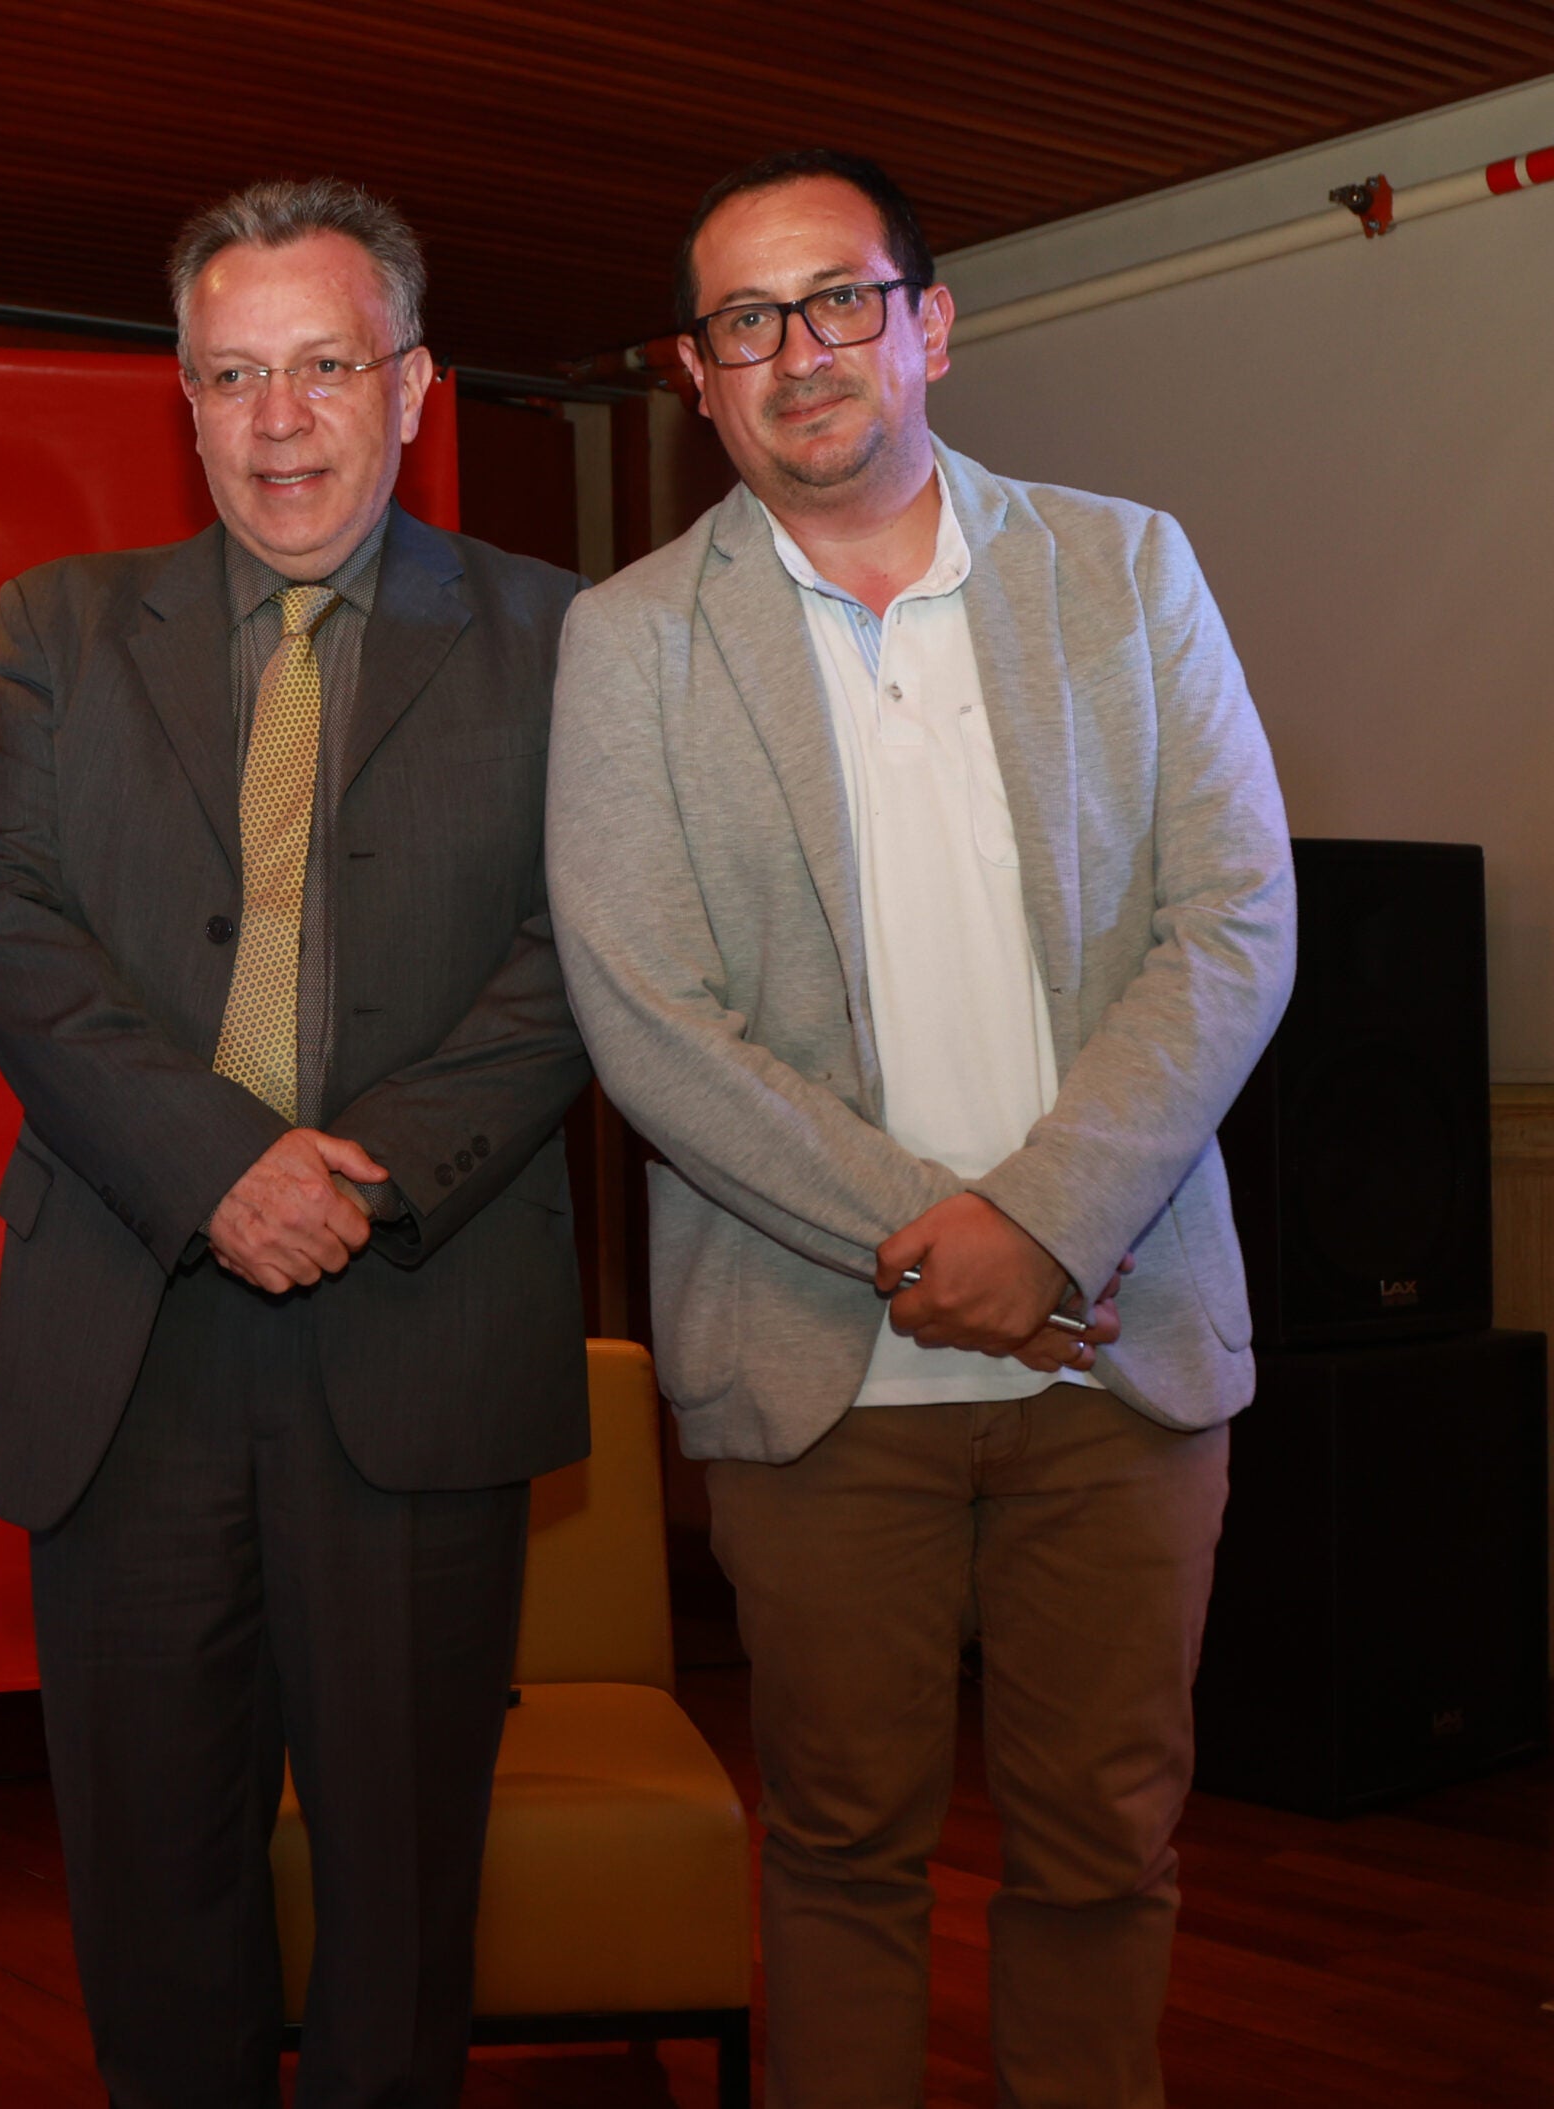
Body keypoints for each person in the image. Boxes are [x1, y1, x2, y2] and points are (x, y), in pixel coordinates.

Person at [547, 149, 1296, 2107]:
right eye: (744, 319)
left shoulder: (1125, 568)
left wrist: (1040, 1224)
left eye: (838, 298)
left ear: (928, 325)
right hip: (821, 1370)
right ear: (695, 375)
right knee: (838, 1858)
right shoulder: (629, 639)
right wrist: (933, 1238)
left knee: (1105, 1850)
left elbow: (1234, 922)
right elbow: (647, 1018)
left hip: (1115, 1347)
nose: (796, 349)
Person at [0, 177, 590, 2108]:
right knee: (153, 1903)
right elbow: (12, 925)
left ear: (414, 386)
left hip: (419, 1323)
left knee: (404, 1902)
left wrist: (348, 1176)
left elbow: (586, 954)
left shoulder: (564, 636)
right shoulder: (63, 626)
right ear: (186, 399)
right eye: (235, 376)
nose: (282, 418)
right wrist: (221, 1165)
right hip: (128, 1338)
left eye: (326, 366)